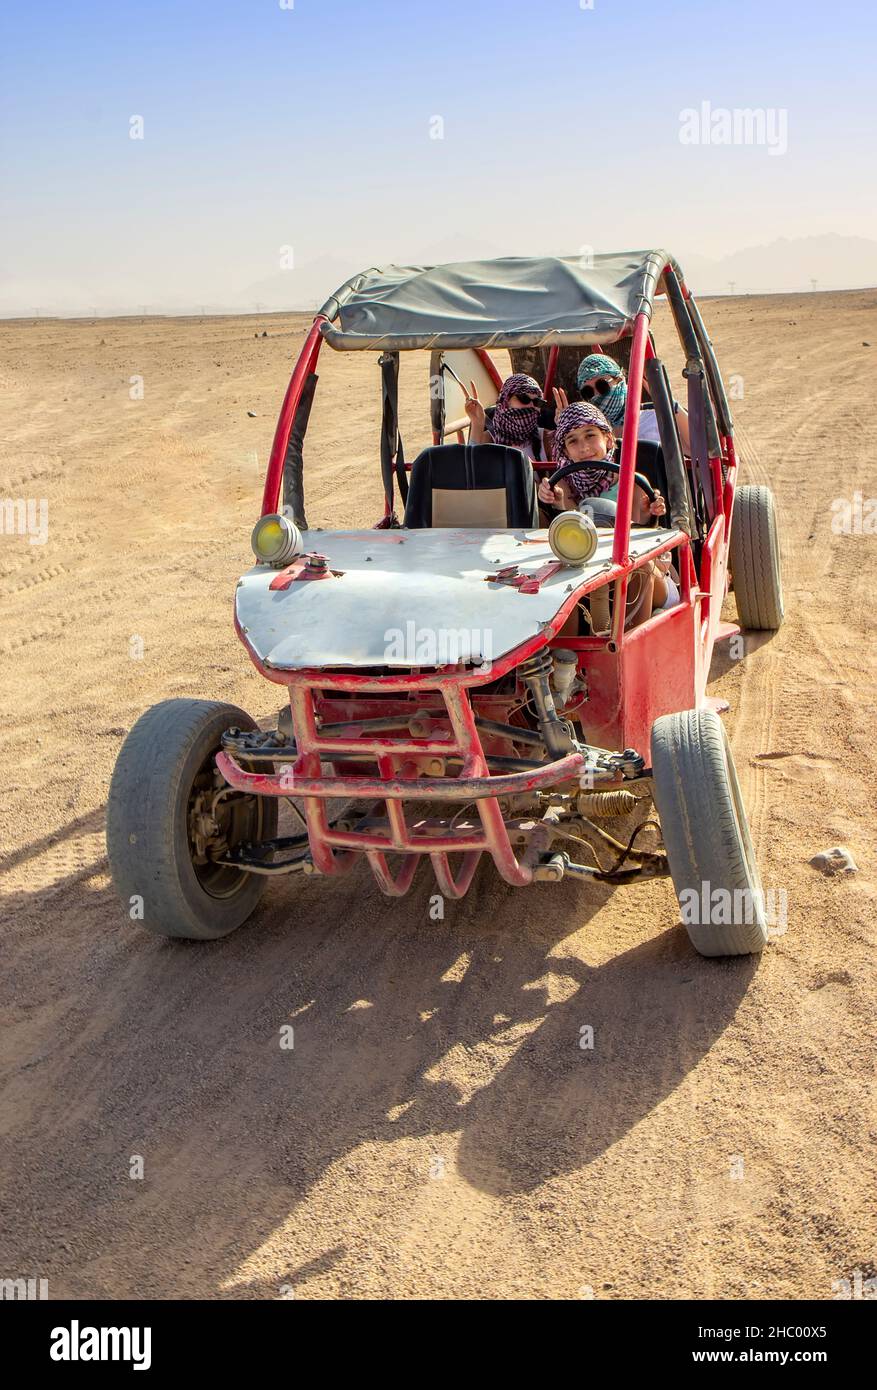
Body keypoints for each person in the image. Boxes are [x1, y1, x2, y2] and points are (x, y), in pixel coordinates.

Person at [537, 402, 666, 527]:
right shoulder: (562, 484)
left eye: (590, 435)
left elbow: (640, 535)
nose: (584, 448)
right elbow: (570, 528)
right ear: (566, 452)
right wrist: (557, 502)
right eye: (573, 441)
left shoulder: (633, 482)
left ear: (608, 440)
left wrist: (648, 512)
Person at [575, 352, 691, 455]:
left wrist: (668, 402)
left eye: (602, 386)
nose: (597, 395)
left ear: (619, 379)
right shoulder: (592, 434)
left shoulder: (655, 418)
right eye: (588, 392)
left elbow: (698, 448)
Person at [464, 372, 550, 463]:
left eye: (537, 402)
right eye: (523, 399)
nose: (530, 406)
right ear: (505, 401)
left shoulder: (547, 440)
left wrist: (564, 429)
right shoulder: (487, 440)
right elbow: (471, 471)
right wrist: (477, 424)